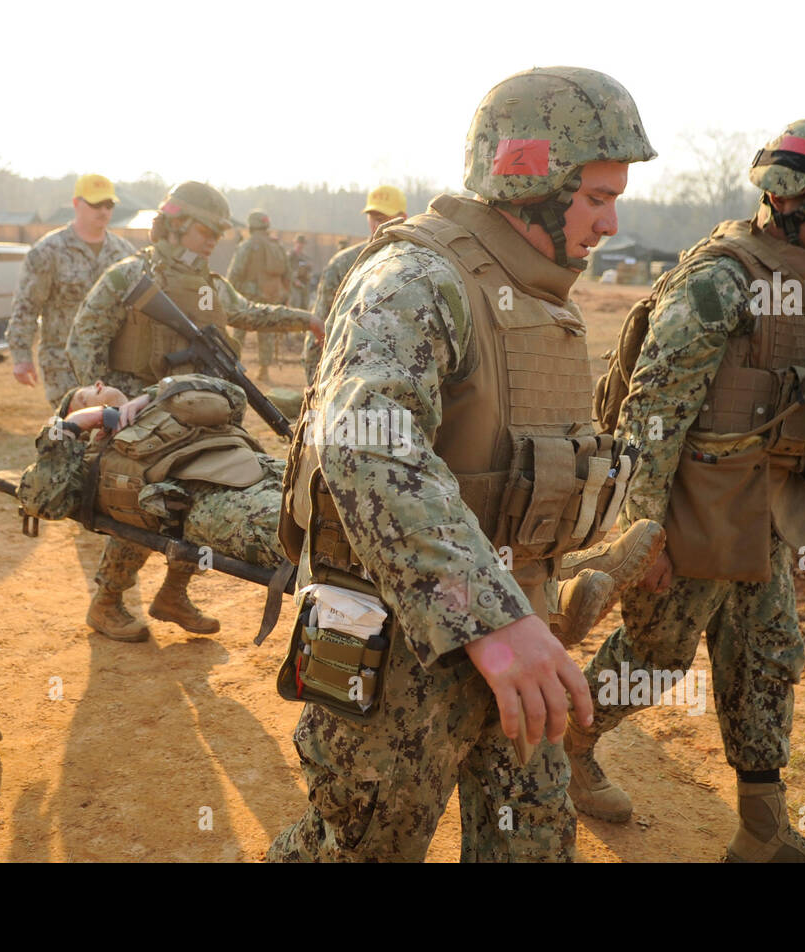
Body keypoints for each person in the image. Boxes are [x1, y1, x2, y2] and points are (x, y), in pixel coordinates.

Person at [268, 67, 657, 862]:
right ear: (530, 184)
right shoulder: (415, 278)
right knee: (356, 846)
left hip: (518, 634)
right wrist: (493, 619)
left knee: (535, 841)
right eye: (596, 197)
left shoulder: (538, 295)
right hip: (401, 644)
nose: (612, 223)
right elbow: (367, 445)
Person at [568, 119, 805, 862]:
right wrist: (640, 532)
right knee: (655, 655)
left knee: (767, 656)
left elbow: (803, 395)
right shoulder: (717, 281)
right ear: (784, 197)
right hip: (691, 516)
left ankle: (762, 831)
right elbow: (651, 412)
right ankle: (572, 743)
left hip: (764, 515)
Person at [66, 182, 320, 642]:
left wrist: (304, 319)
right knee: (141, 507)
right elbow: (84, 336)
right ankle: (107, 601)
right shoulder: (131, 276)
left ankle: (173, 593)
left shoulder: (209, 285)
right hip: (141, 418)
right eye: (207, 229)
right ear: (178, 222)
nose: (214, 239)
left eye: (219, 232)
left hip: (198, 418)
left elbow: (248, 314)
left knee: (204, 499)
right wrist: (108, 403)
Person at [17, 375, 286, 574]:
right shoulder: (86, 463)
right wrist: (74, 425)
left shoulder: (162, 402)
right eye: (85, 399)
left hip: (263, 468)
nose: (98, 385)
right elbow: (41, 501)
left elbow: (236, 396)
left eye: (93, 386)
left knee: (323, 493)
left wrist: (154, 393)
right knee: (308, 530)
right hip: (220, 503)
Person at [8, 173, 135, 405]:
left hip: (114, 363)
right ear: (76, 204)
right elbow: (27, 305)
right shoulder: (49, 251)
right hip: (63, 364)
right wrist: (21, 356)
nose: (103, 211)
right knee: (74, 430)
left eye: (109, 205)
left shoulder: (124, 253)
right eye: (96, 204)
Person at [303, 184, 408, 384]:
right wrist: (315, 383)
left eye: (383, 219)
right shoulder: (344, 264)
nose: (378, 226)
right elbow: (320, 327)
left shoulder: (412, 265)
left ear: (403, 217)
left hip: (394, 380)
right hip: (347, 377)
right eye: (373, 218)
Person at [227, 209, 290, 379]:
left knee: (239, 331)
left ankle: (233, 365)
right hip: (270, 295)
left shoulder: (247, 245)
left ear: (251, 226)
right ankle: (264, 371)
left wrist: (228, 292)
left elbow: (236, 271)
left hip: (247, 295)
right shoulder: (276, 246)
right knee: (266, 331)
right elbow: (287, 274)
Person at [287, 233, 312, 310]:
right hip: (293, 284)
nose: (300, 245)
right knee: (295, 306)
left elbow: (309, 270)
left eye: (302, 243)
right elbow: (286, 270)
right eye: (299, 243)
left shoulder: (305, 257)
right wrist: (294, 281)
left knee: (305, 306)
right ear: (295, 243)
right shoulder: (290, 256)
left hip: (304, 284)